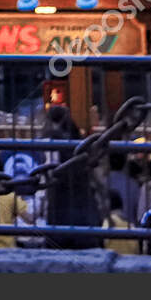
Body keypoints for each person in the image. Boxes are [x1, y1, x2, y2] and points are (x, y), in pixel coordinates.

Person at [42, 105, 100, 249]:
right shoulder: (78, 142)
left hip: (60, 208)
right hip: (85, 213)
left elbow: (49, 173)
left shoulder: (51, 140)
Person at [102, 191, 141, 255]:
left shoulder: (108, 222)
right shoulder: (131, 226)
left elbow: (105, 242)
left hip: (114, 262)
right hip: (131, 262)